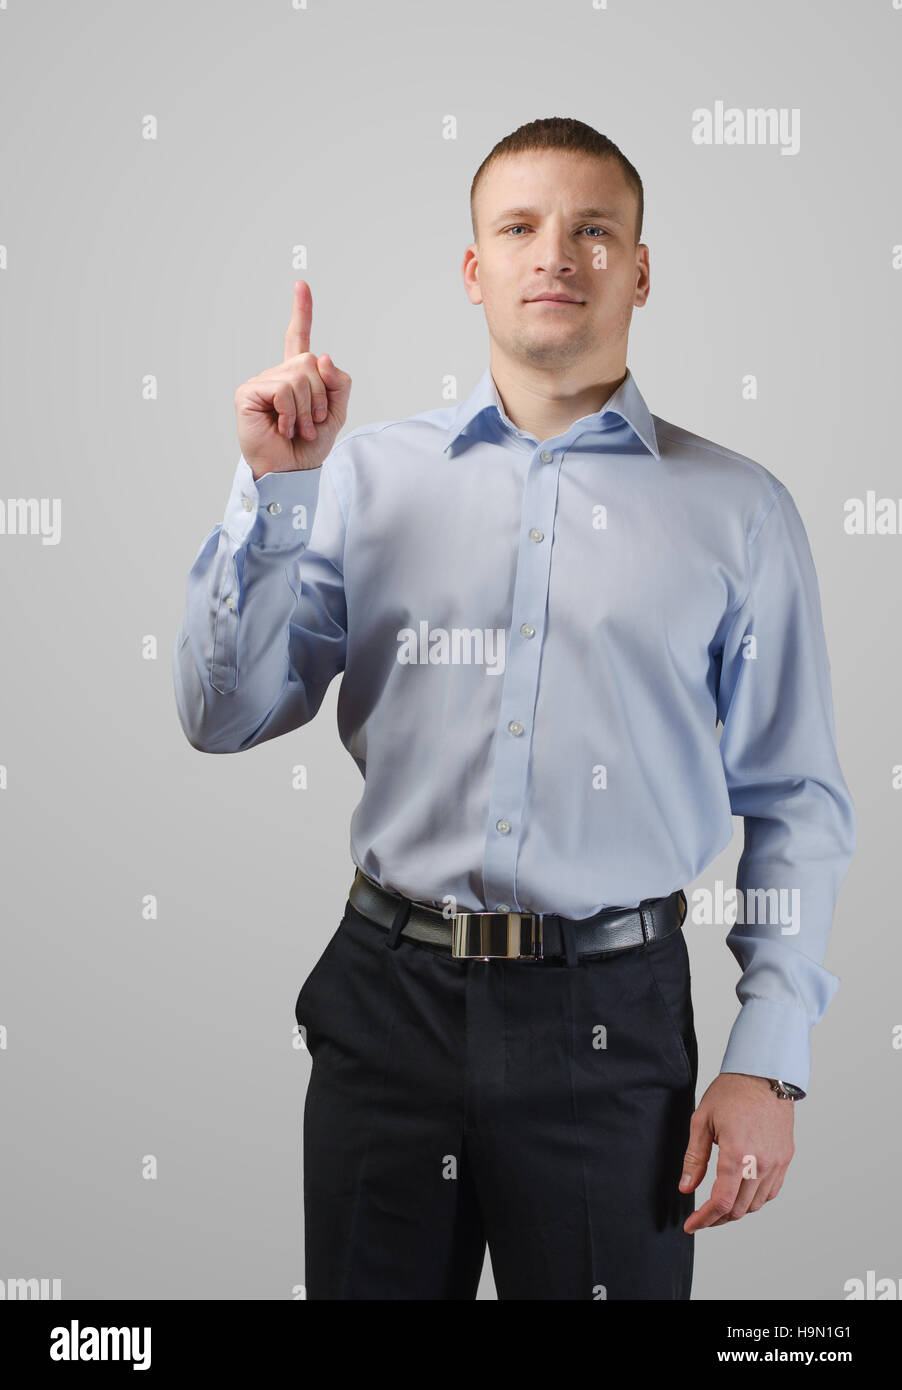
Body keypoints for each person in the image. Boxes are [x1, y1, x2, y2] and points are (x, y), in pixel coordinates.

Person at [172, 116, 856, 1300]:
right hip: (385, 1004)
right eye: (519, 227)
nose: (556, 255)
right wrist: (276, 495)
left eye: (593, 229)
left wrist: (769, 1059)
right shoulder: (358, 477)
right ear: (474, 268)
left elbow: (793, 799)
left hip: (613, 1020)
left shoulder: (739, 511)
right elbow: (220, 714)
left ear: (639, 267)